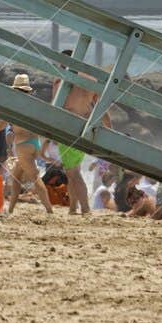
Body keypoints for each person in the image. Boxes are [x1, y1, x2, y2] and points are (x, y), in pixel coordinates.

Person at [54, 49, 109, 215]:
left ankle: (85, 208)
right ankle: (72, 208)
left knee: (74, 173)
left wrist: (50, 132)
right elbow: (101, 108)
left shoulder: (60, 80)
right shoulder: (91, 81)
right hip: (83, 128)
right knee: (72, 170)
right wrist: (109, 130)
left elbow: (55, 107)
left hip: (67, 129)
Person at [2, 75, 53, 215]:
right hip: (34, 142)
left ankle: (49, 210)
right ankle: (10, 209)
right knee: (16, 178)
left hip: (23, 145)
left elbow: (5, 126)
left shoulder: (14, 106)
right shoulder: (33, 105)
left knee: (35, 178)